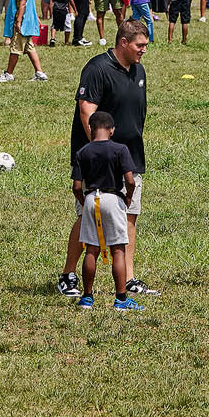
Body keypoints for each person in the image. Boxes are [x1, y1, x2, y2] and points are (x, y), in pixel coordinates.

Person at [59, 21, 152, 299]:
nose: (143, 51)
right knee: (87, 217)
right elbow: (87, 112)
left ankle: (130, 277)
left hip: (130, 157)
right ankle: (68, 274)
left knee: (130, 216)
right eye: (139, 45)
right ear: (123, 42)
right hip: (100, 161)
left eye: (145, 46)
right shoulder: (98, 69)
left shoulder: (138, 70)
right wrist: (99, 153)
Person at [72, 110, 141, 311]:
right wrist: (128, 197)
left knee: (91, 249)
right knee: (118, 249)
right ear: (111, 130)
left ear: (91, 129)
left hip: (92, 197)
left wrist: (85, 202)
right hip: (113, 198)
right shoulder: (120, 149)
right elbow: (130, 180)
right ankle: (121, 299)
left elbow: (77, 186)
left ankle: (87, 297)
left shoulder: (82, 152)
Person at [0, 0, 48, 83]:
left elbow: (22, 4)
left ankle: (9, 74)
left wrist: (18, 21)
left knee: (15, 48)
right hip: (28, 24)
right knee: (30, 48)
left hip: (22, 24)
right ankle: (39, 73)